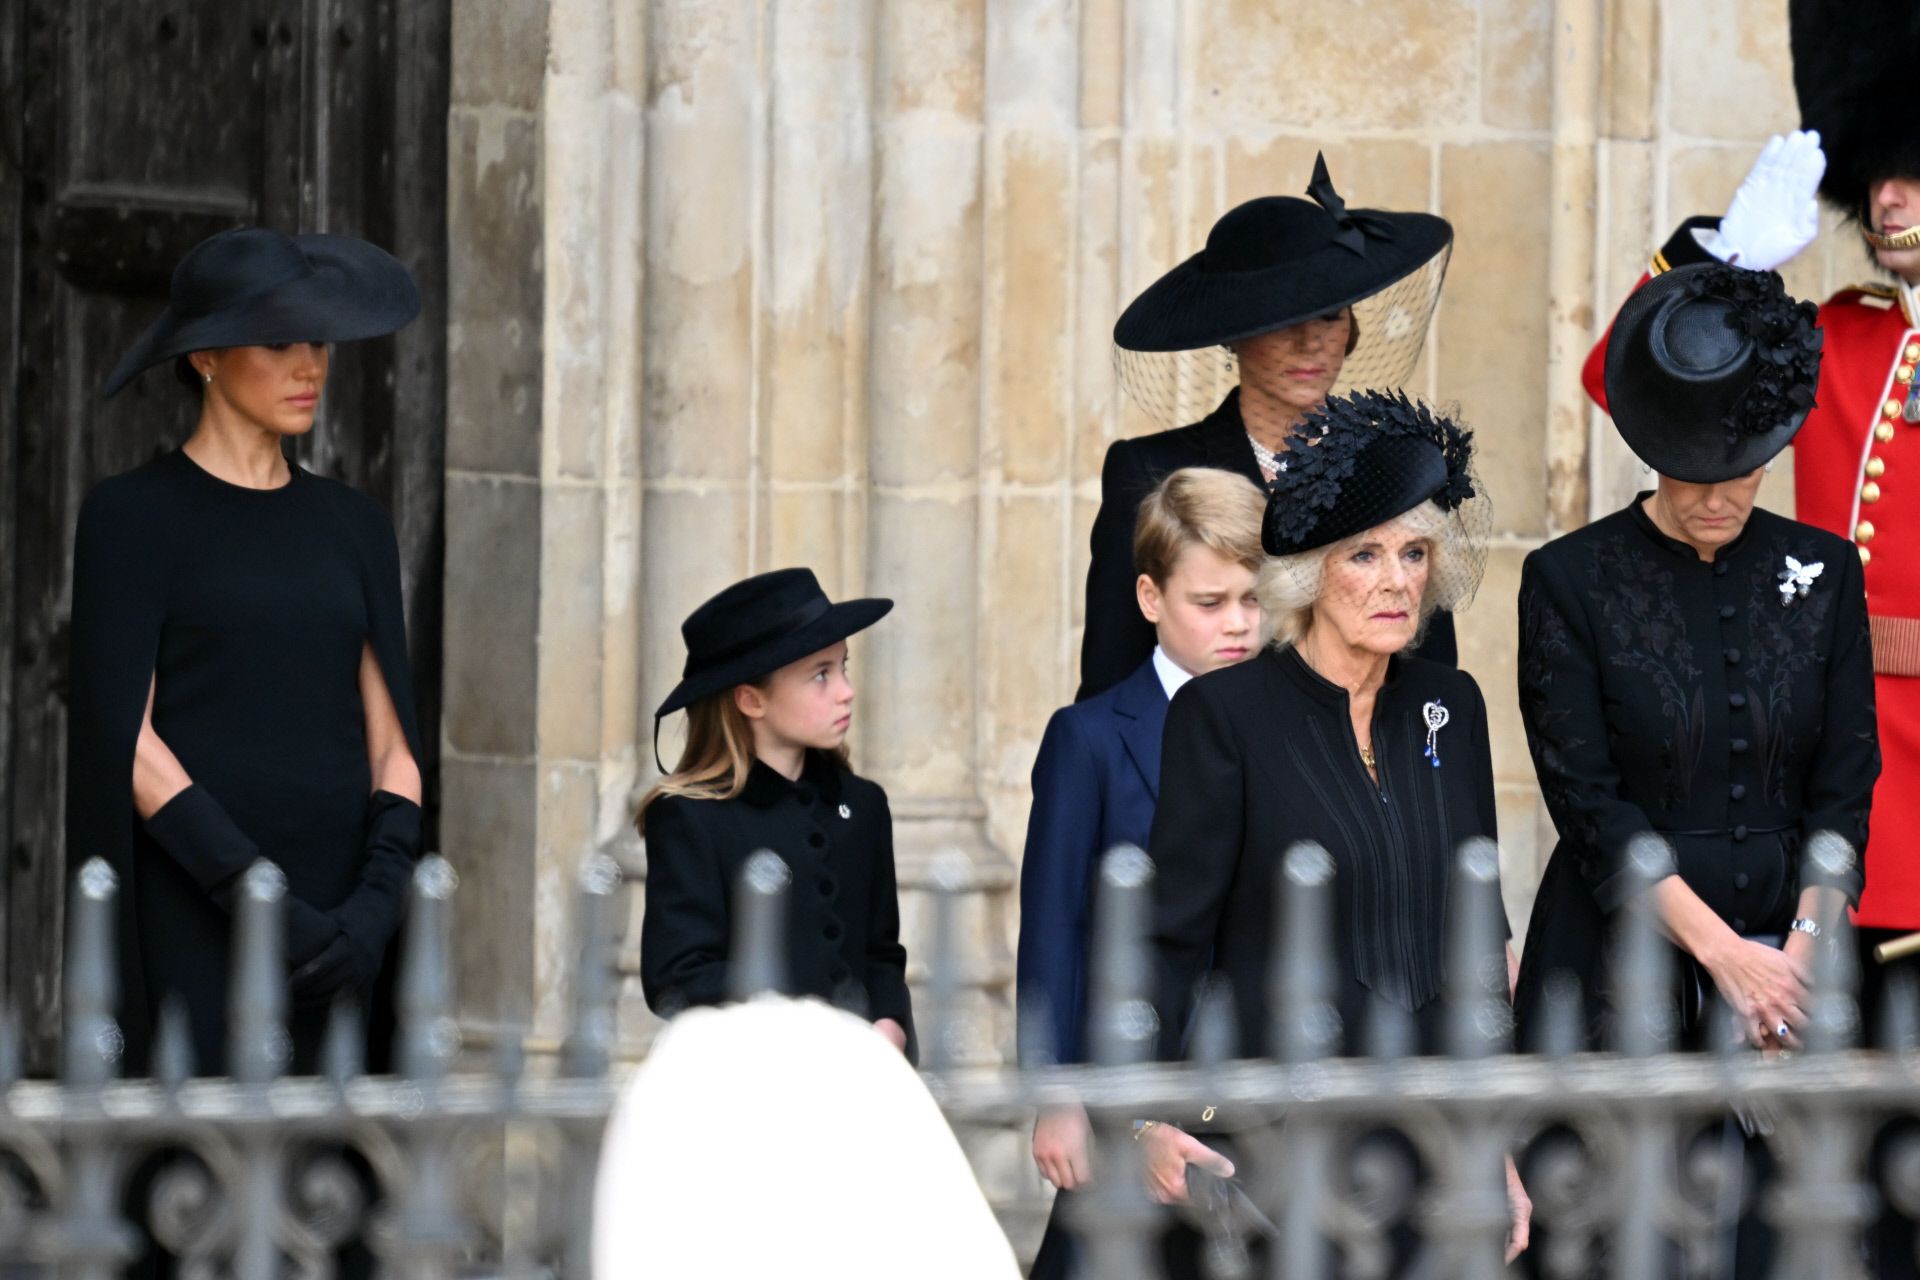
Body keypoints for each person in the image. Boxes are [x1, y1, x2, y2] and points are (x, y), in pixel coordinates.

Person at [1521, 262, 1875, 1274]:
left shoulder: (1824, 572)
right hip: (1621, 965)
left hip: (1793, 972)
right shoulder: (1568, 580)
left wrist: (1798, 949)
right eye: (1691, 467)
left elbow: (1846, 780)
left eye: (1744, 465)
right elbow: (1589, 804)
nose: (1719, 493)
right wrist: (1728, 956)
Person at [1579, 0, 1920, 1032]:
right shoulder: (1842, 343)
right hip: (1838, 765)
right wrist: (1726, 260)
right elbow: (1621, 382)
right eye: (1877, 175)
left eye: (1913, 172)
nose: (1889, 198)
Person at [1142, 390, 1529, 1275]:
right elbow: (1168, 939)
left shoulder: (1449, 706)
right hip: (1280, 1150)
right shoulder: (1222, 716)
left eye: (1415, 553)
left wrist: (1498, 1143)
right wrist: (1145, 1117)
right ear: (1311, 571)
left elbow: (1478, 939)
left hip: (1434, 1142)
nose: (1396, 581)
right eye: (1365, 554)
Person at [69, 226, 426, 1079]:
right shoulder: (132, 519)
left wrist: (374, 908)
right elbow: (130, 741)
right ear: (205, 359)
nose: (310, 364)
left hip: (341, 911)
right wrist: (257, 898)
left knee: (336, 1180)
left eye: (317, 340)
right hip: (197, 903)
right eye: (277, 341)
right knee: (198, 1180)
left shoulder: (355, 526)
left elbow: (393, 741)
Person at [1080, 154, 1457, 701]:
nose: (1310, 342)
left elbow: (1429, 675)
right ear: (1235, 335)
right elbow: (1111, 687)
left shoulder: (1398, 470)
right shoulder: (1151, 471)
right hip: (1202, 774)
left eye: (1329, 315)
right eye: (1283, 321)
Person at [1016, 466, 1266, 1278]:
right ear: (1151, 598)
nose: (1238, 624)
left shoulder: (1291, 727)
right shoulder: (1088, 739)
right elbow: (1053, 924)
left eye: (1253, 600)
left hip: (1257, 1083)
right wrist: (1056, 1094)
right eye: (1210, 602)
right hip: (1130, 1086)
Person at [639, 568, 915, 1060]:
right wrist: (809, 1023)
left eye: (843, 667)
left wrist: (890, 1025)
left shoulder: (864, 805)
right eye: (820, 675)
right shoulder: (691, 817)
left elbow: (881, 953)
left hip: (862, 1077)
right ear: (751, 699)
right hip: (749, 1079)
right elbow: (677, 975)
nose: (846, 690)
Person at [594, 998, 1019, 1278]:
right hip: (738, 1082)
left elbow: (881, 945)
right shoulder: (686, 1070)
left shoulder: (870, 1068)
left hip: (857, 1074)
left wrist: (886, 1017)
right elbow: (676, 966)